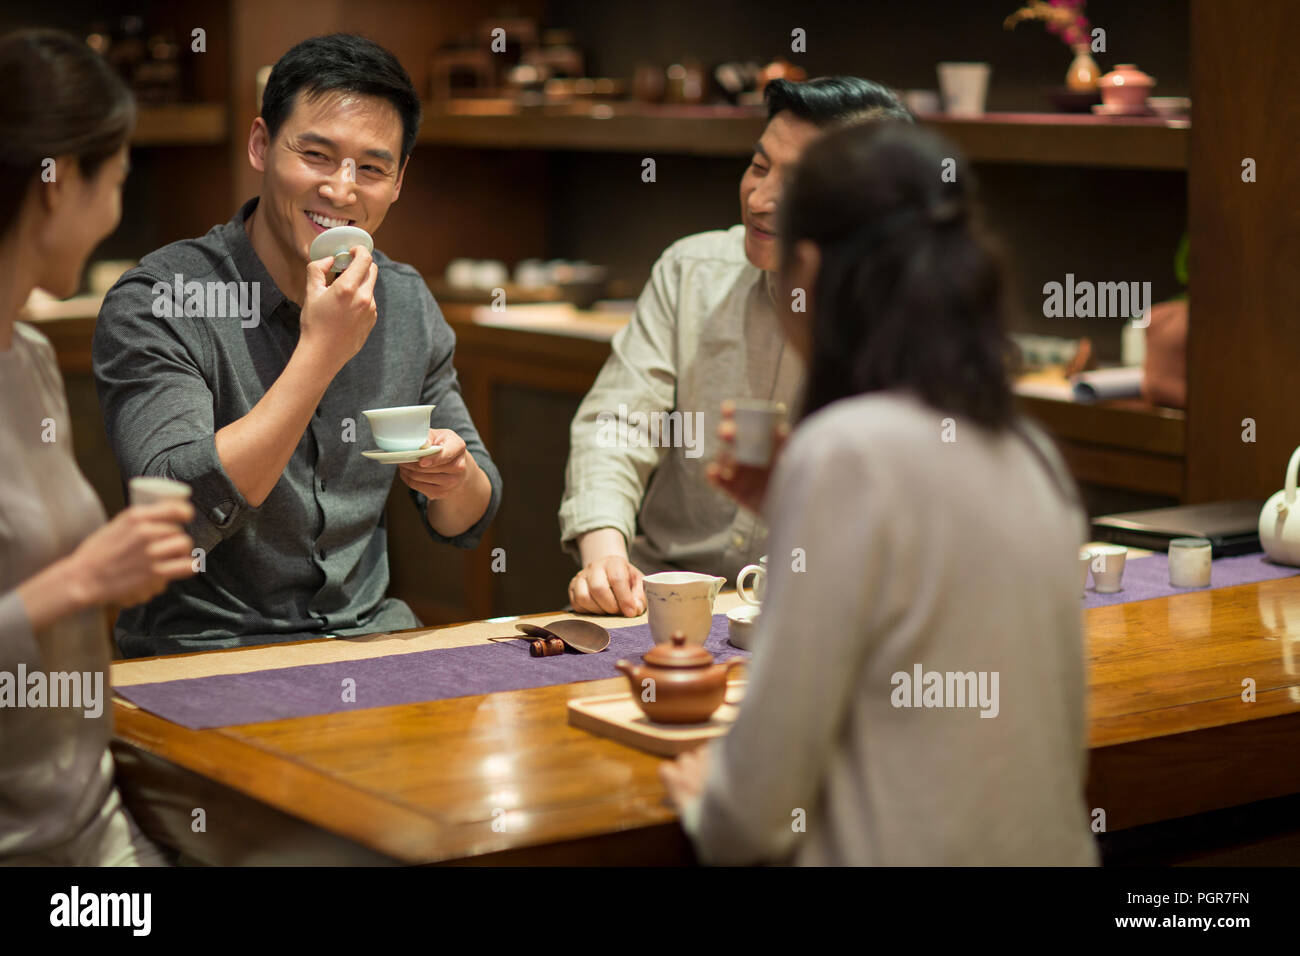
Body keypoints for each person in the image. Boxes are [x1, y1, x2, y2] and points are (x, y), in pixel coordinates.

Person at [660, 122, 1099, 866]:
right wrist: (797, 516)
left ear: (811, 268)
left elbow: (757, 814)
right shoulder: (1029, 450)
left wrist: (711, 795)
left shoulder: (849, 453)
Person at [93, 34, 502, 658]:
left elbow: (466, 515)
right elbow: (176, 511)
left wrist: (455, 475)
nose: (342, 190)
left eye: (372, 168)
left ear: (398, 181)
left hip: (371, 638)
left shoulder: (404, 299)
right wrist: (321, 353)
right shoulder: (163, 299)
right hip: (207, 653)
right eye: (316, 154)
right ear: (261, 144)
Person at [558, 77, 912, 617]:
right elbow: (618, 426)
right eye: (759, 166)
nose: (761, 199)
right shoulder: (691, 269)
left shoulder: (908, 321)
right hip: (661, 598)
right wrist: (606, 558)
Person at [0, 28, 196, 865]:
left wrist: (119, 579)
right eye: (113, 181)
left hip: (91, 829)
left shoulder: (33, 360)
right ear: (57, 184)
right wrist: (83, 578)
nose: (117, 211)